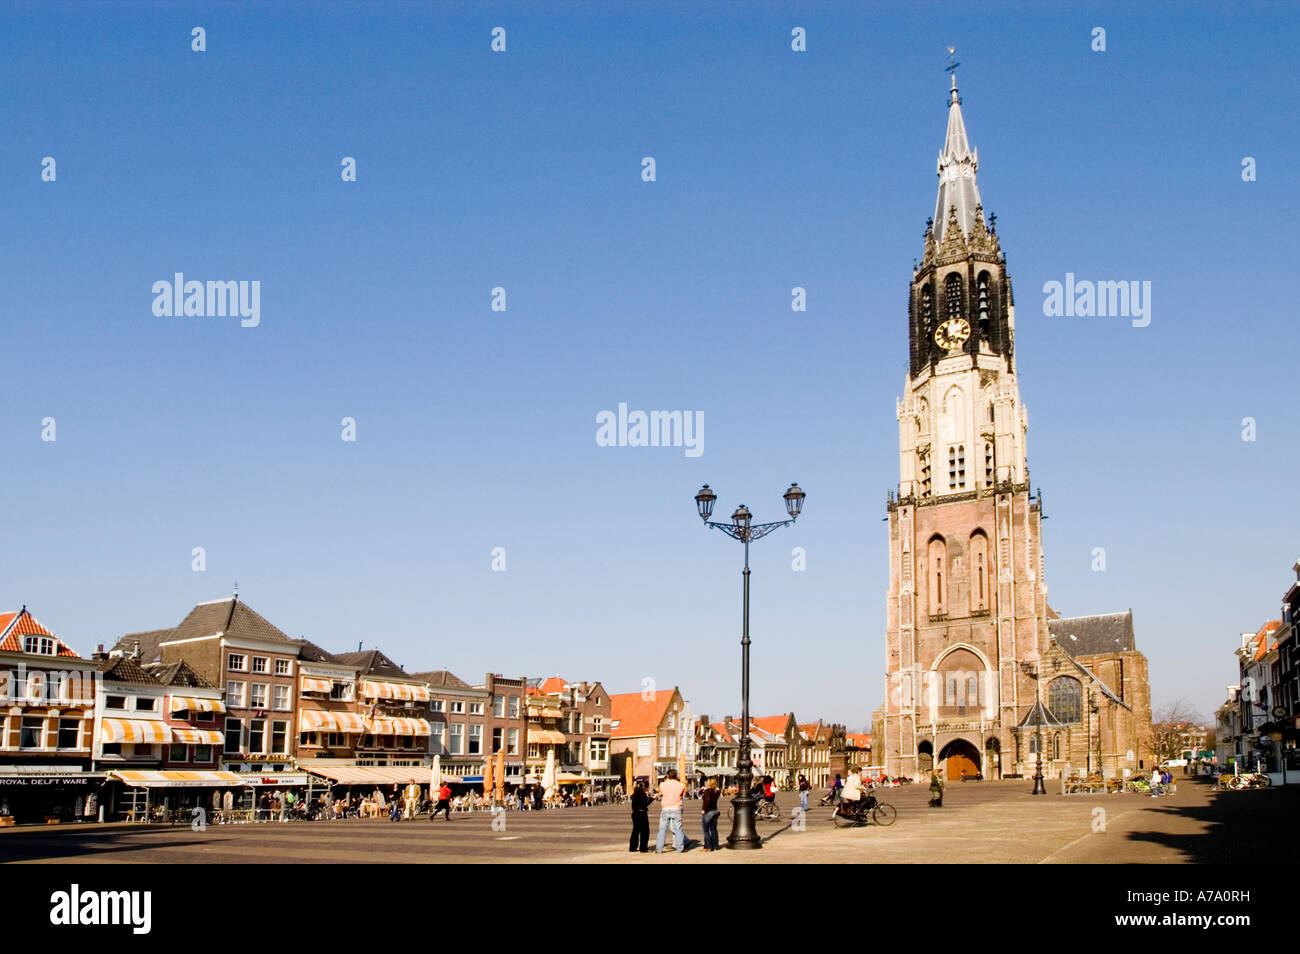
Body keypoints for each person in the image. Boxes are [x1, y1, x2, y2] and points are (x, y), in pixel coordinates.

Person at [655, 768, 687, 853]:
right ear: (676, 776)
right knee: (678, 829)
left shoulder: (662, 785)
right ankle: (680, 848)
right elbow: (682, 796)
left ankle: (659, 848)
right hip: (676, 807)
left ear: (668, 776)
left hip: (665, 807)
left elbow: (660, 794)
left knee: (662, 829)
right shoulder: (681, 785)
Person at [629, 780, 651, 852]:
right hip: (642, 813)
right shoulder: (642, 793)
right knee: (645, 831)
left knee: (635, 831)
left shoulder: (635, 792)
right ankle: (643, 847)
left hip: (635, 814)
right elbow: (645, 804)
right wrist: (652, 798)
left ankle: (633, 847)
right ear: (645, 787)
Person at [700, 778, 721, 851]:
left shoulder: (707, 791)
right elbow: (701, 793)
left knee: (705, 830)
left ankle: (708, 846)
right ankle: (715, 846)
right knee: (713, 829)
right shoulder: (716, 791)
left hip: (708, 812)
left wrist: (704, 810)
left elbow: (707, 800)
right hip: (715, 810)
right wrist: (703, 790)